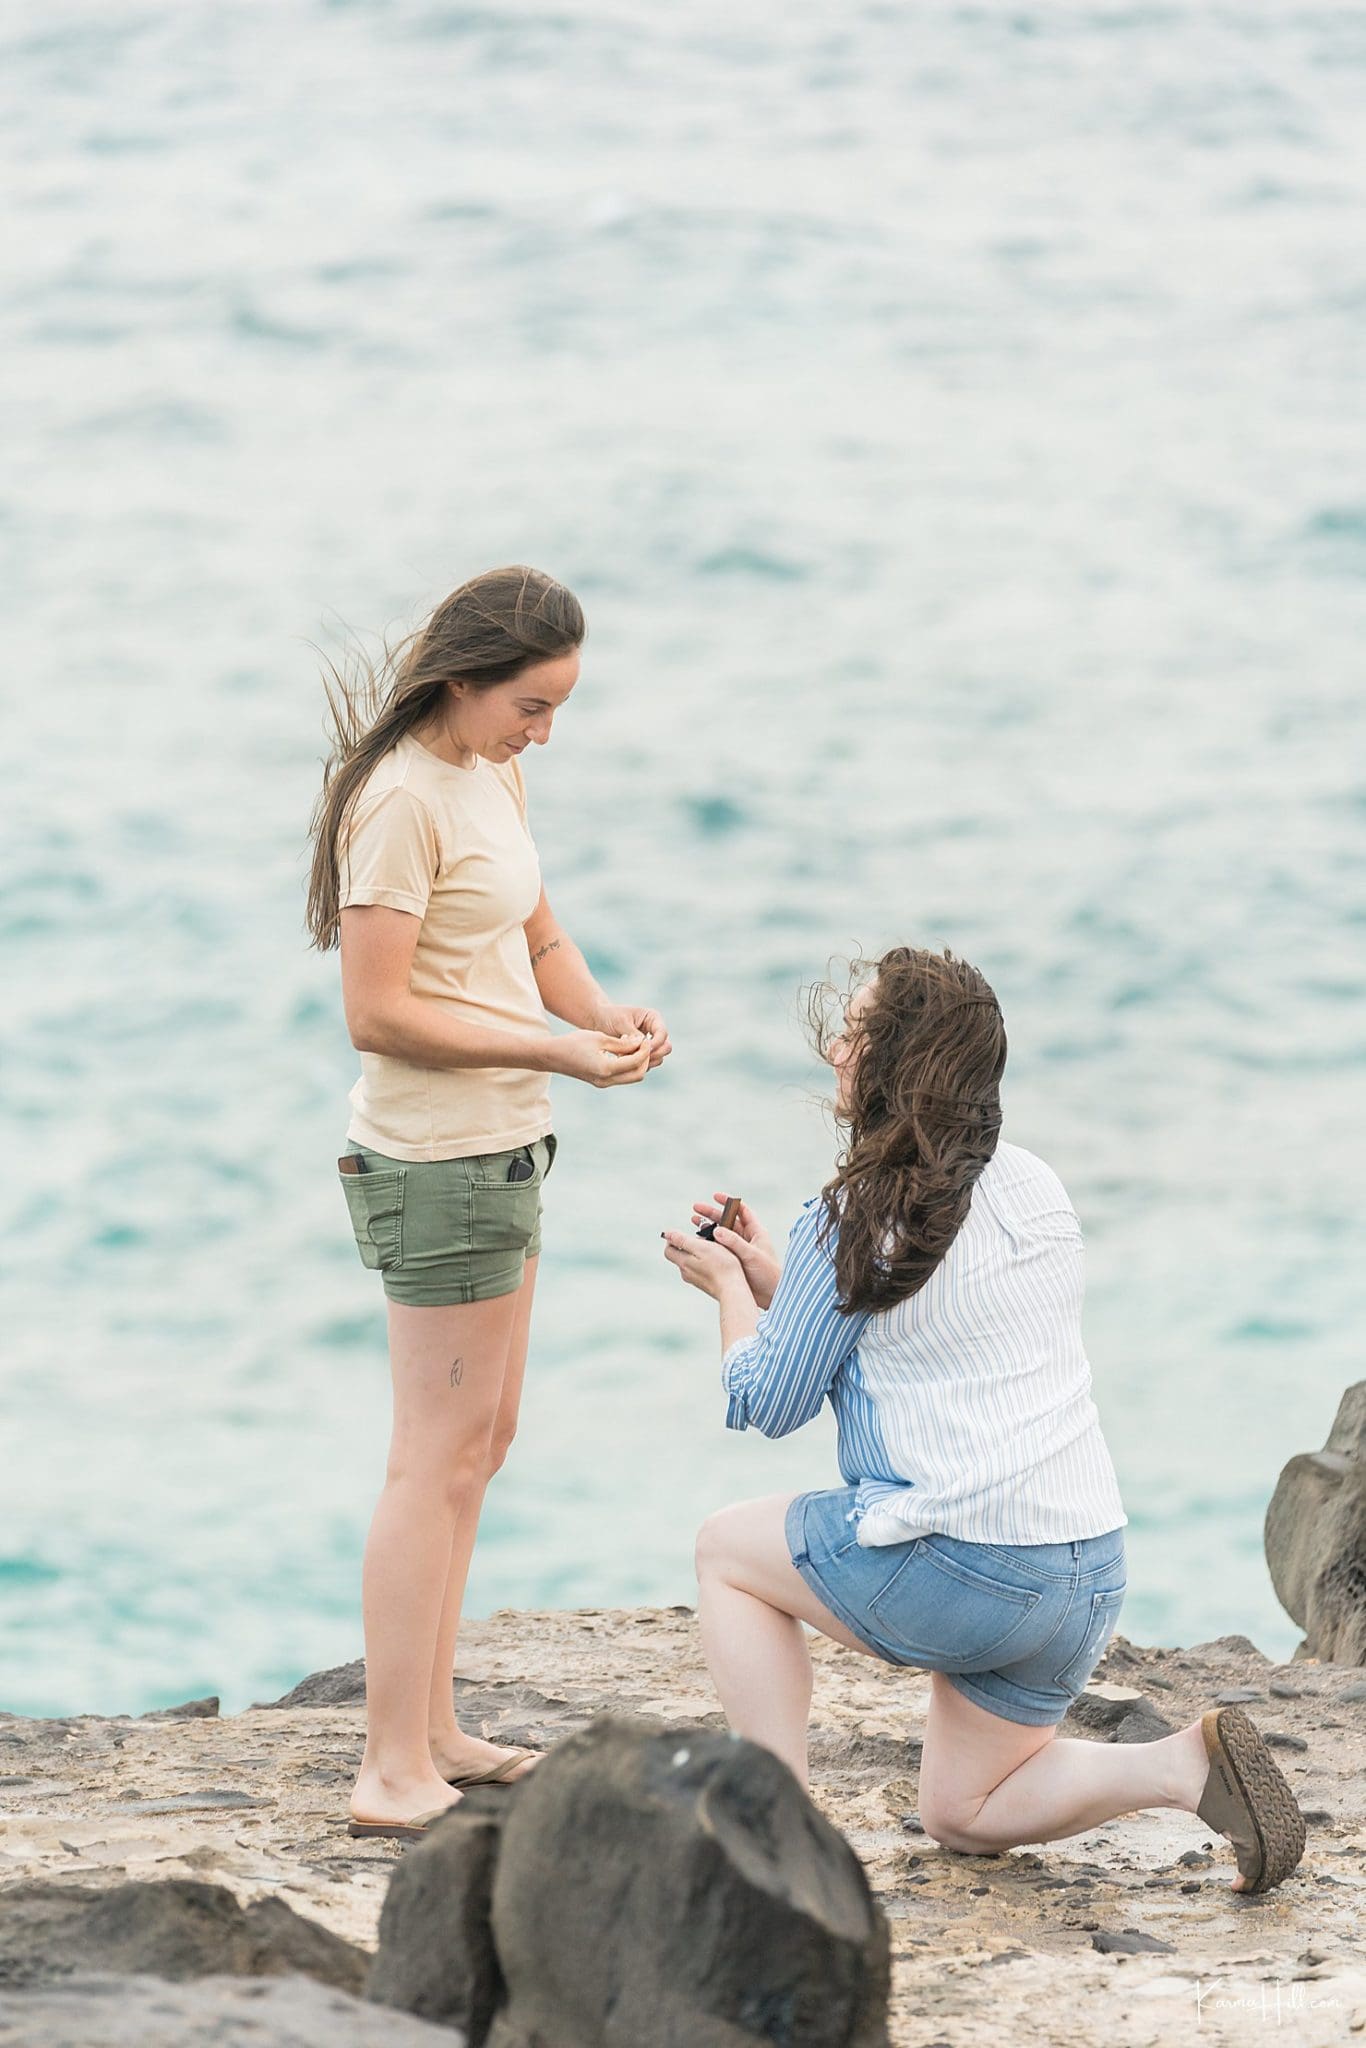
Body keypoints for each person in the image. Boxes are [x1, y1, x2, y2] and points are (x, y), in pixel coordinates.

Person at [663, 946, 1306, 1895]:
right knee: (962, 1812)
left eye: (857, 1032)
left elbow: (767, 1397)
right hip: (1084, 1570)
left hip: (969, 1573)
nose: (836, 1047)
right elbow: (932, 1334)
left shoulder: (852, 1220)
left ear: (897, 1065)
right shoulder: (1037, 1186)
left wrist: (728, 1287)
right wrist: (783, 1284)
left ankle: (780, 1830)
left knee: (724, 1550)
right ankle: (1181, 1768)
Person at [306, 564, 671, 1840]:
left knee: (484, 1438)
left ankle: (435, 1729)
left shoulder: (485, 771)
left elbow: (536, 936)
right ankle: (388, 1764)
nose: (545, 732)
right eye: (531, 705)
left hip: (506, 1146)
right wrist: (554, 1051)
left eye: (558, 707)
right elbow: (377, 1010)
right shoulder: (400, 798)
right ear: (463, 681)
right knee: (434, 1453)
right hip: (438, 1161)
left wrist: (601, 1014)